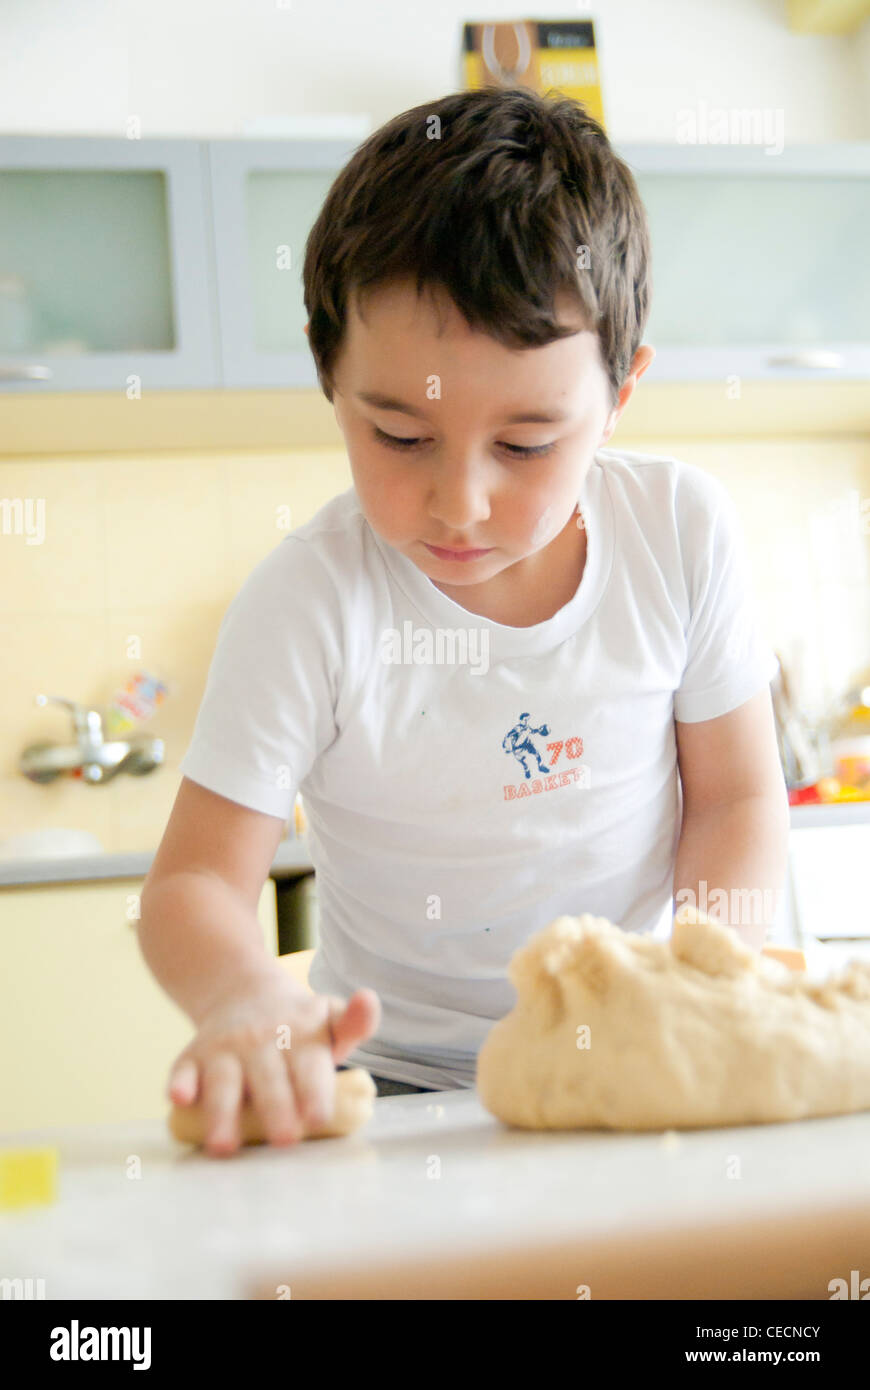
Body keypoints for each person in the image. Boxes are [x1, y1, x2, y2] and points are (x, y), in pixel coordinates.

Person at [137, 87, 789, 1156]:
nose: (461, 503)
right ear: (328, 374)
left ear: (622, 389)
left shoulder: (679, 530)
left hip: (632, 1049)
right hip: (388, 1085)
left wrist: (711, 972)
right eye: (399, 435)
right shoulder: (306, 602)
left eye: (527, 444)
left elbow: (736, 795)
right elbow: (198, 881)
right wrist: (245, 994)